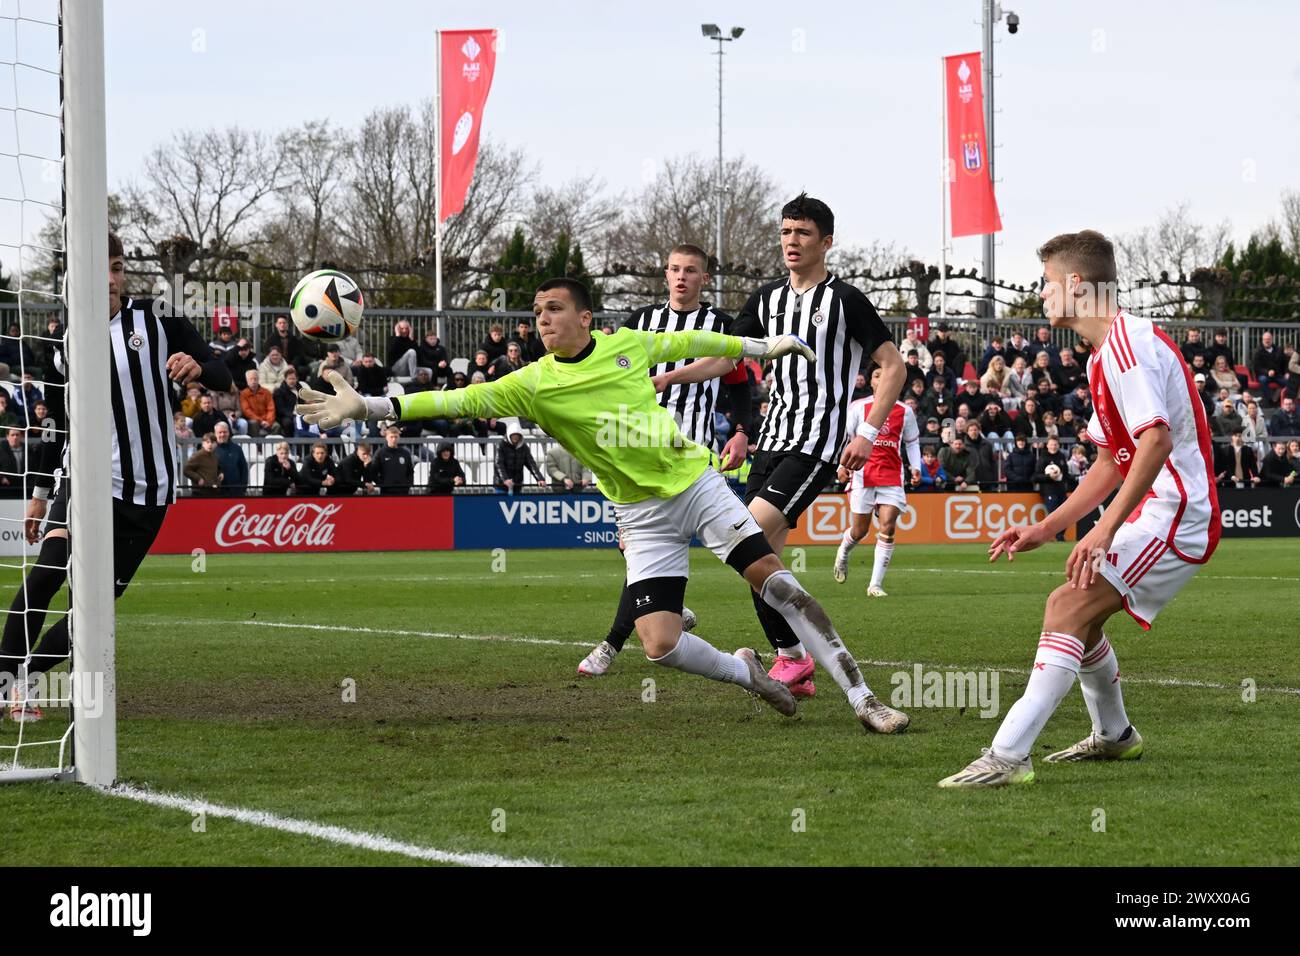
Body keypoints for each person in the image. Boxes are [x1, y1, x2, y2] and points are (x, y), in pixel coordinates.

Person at [297, 275, 910, 733]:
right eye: (536, 311)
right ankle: (744, 672)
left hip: (694, 486)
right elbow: (453, 401)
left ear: (586, 318)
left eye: (554, 308)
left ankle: (864, 700)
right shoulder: (532, 383)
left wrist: (761, 347)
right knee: (661, 645)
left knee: (778, 586)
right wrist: (371, 407)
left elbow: (696, 337)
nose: (542, 318)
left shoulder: (628, 345)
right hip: (640, 517)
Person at [940, 230, 1219, 788]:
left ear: (1074, 285)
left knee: (1067, 605)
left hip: (1177, 513)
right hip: (1154, 507)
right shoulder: (1105, 355)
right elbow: (1111, 463)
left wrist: (1101, 531)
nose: (1042, 295)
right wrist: (1048, 528)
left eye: (1046, 284)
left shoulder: (1126, 347)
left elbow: (1155, 443)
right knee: (1081, 616)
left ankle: (1007, 756)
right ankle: (1115, 737)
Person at [0, 232, 233, 722]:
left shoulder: (158, 317)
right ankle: (3, 684)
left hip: (149, 489)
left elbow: (222, 374)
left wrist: (198, 366)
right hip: (84, 478)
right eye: (100, 266)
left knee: (95, 606)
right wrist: (42, 494)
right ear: (75, 275)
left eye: (118, 266)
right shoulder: (63, 343)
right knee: (46, 575)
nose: (110, 277)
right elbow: (55, 425)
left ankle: (27, 681)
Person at [573, 244, 754, 677]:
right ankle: (668, 609)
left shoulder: (719, 326)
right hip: (636, 452)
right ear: (665, 274)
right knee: (633, 547)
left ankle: (611, 643)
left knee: (643, 546)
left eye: (690, 270)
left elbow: (739, 384)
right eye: (674, 269)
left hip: (687, 454)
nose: (680, 277)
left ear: (704, 279)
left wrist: (743, 432)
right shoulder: (640, 323)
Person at [832, 366, 920, 597]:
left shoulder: (905, 411)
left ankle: (875, 585)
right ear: (871, 382)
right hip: (863, 474)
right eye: (876, 375)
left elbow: (911, 442)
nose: (881, 379)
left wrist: (917, 467)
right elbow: (844, 438)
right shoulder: (859, 407)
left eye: (885, 374)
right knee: (860, 530)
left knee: (888, 525)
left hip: (892, 475)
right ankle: (843, 551)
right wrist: (841, 466)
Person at [495, 422, 546, 492]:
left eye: (517, 435)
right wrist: (505, 479)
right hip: (501, 486)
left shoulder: (524, 447)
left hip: (517, 485)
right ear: (509, 435)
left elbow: (531, 464)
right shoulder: (501, 445)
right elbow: (499, 464)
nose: (515, 437)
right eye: (513, 435)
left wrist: (540, 479)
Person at [372, 426, 414, 495]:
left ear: (399, 437)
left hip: (403, 492)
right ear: (386, 437)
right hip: (386, 492)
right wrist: (382, 484)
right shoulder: (380, 453)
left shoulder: (405, 453)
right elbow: (373, 472)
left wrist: (407, 486)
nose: (394, 439)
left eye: (396, 437)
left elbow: (410, 472)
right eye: (391, 437)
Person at [212, 421, 249, 495]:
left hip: (236, 492)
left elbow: (244, 469)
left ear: (229, 433)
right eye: (220, 432)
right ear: (215, 434)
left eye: (225, 432)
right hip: (217, 493)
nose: (222, 434)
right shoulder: (211, 450)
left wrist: (242, 488)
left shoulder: (237, 449)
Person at [240, 369, 279, 436]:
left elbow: (271, 409)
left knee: (276, 426)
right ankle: (256, 446)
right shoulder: (243, 394)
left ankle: (271, 446)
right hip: (254, 420)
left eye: (255, 379)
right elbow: (247, 411)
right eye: (251, 379)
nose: (253, 381)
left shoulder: (266, 392)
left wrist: (268, 421)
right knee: (254, 423)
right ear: (247, 381)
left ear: (258, 380)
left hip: (267, 420)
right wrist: (260, 421)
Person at [1252, 331, 1287, 405]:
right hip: (1263, 374)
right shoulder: (1258, 351)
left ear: (1272, 339)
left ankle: (1277, 397)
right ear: (1262, 340)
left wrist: (1286, 372)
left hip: (1277, 374)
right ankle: (1270, 400)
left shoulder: (1278, 350)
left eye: (1268, 339)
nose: (1267, 341)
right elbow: (1256, 367)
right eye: (1265, 339)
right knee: (1263, 380)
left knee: (1288, 382)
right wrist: (1267, 372)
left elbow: (1285, 363)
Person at [0, 427, 29, 499]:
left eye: (17, 435)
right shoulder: (1, 450)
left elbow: (34, 467)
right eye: (12, 435)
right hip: (5, 489)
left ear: (21, 436)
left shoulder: (29, 450)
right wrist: (1, 478)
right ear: (7, 437)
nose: (15, 437)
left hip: (25, 488)